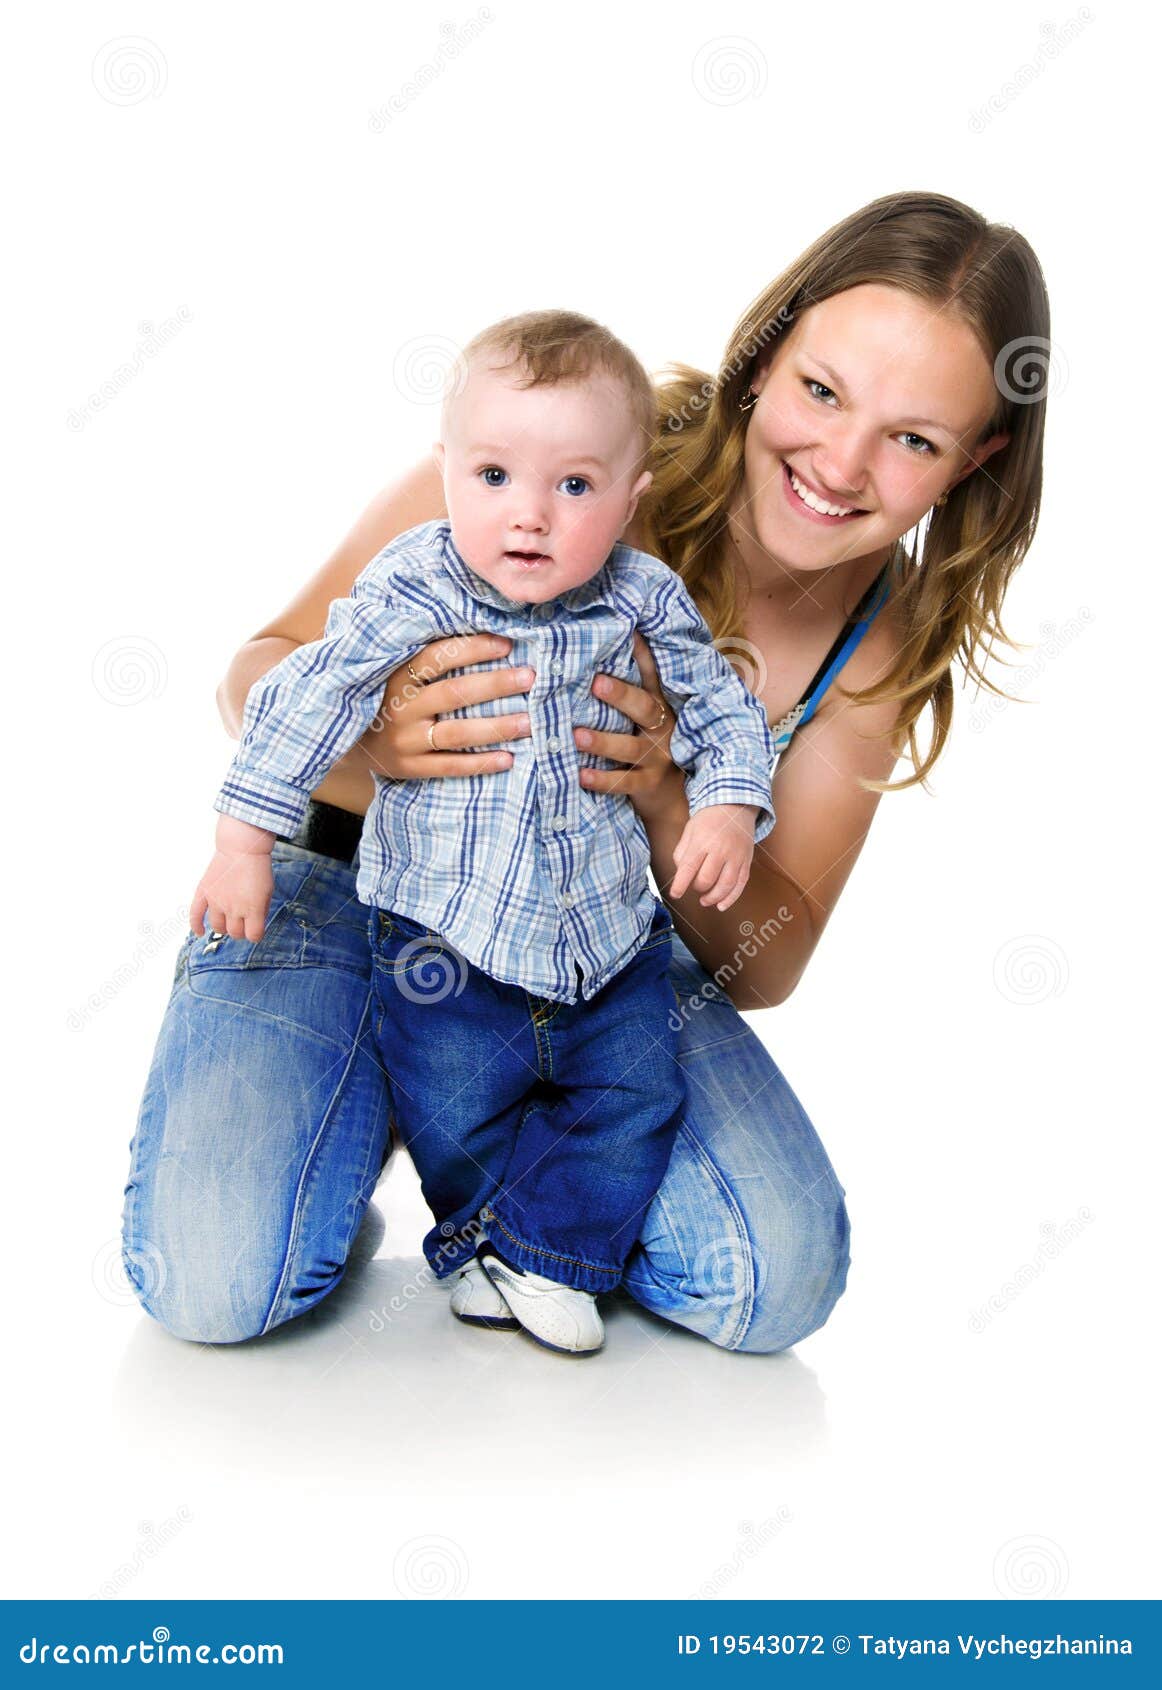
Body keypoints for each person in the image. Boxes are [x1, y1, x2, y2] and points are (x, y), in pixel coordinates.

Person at [121, 190, 1049, 1353]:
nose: (840, 462)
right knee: (217, 1282)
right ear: (764, 360)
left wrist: (667, 796)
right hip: (352, 887)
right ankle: (372, 1113)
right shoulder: (563, 460)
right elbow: (258, 668)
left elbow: (767, 960)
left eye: (913, 439)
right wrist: (377, 745)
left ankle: (490, 1169)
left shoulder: (881, 635)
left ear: (976, 458)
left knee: (769, 1278)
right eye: (821, 392)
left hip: (586, 938)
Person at [188, 311, 777, 1354]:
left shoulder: (646, 596)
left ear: (631, 499)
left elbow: (721, 704)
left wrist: (722, 803)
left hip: (606, 939)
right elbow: (301, 693)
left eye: (576, 487)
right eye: (495, 475)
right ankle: (471, 1231)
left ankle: (535, 1252)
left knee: (634, 1096)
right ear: (446, 469)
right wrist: (243, 843)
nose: (531, 516)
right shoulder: (414, 581)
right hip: (440, 932)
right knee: (454, 1105)